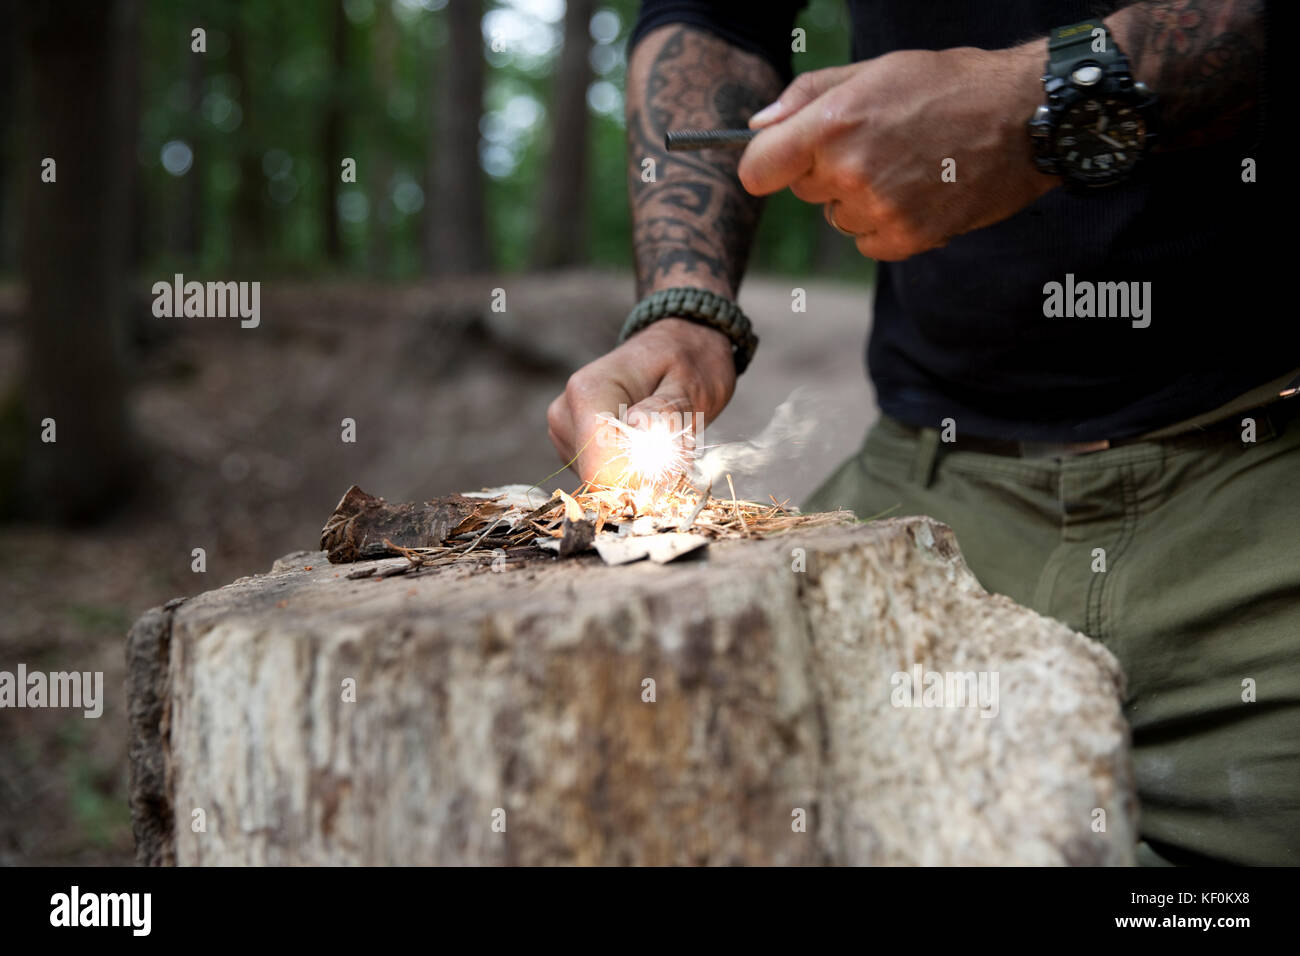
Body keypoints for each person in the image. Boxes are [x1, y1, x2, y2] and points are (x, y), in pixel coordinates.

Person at [546, 0, 1298, 865]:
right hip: (921, 507)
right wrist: (684, 308)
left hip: (1266, 487)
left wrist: (1035, 100)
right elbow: (722, 16)